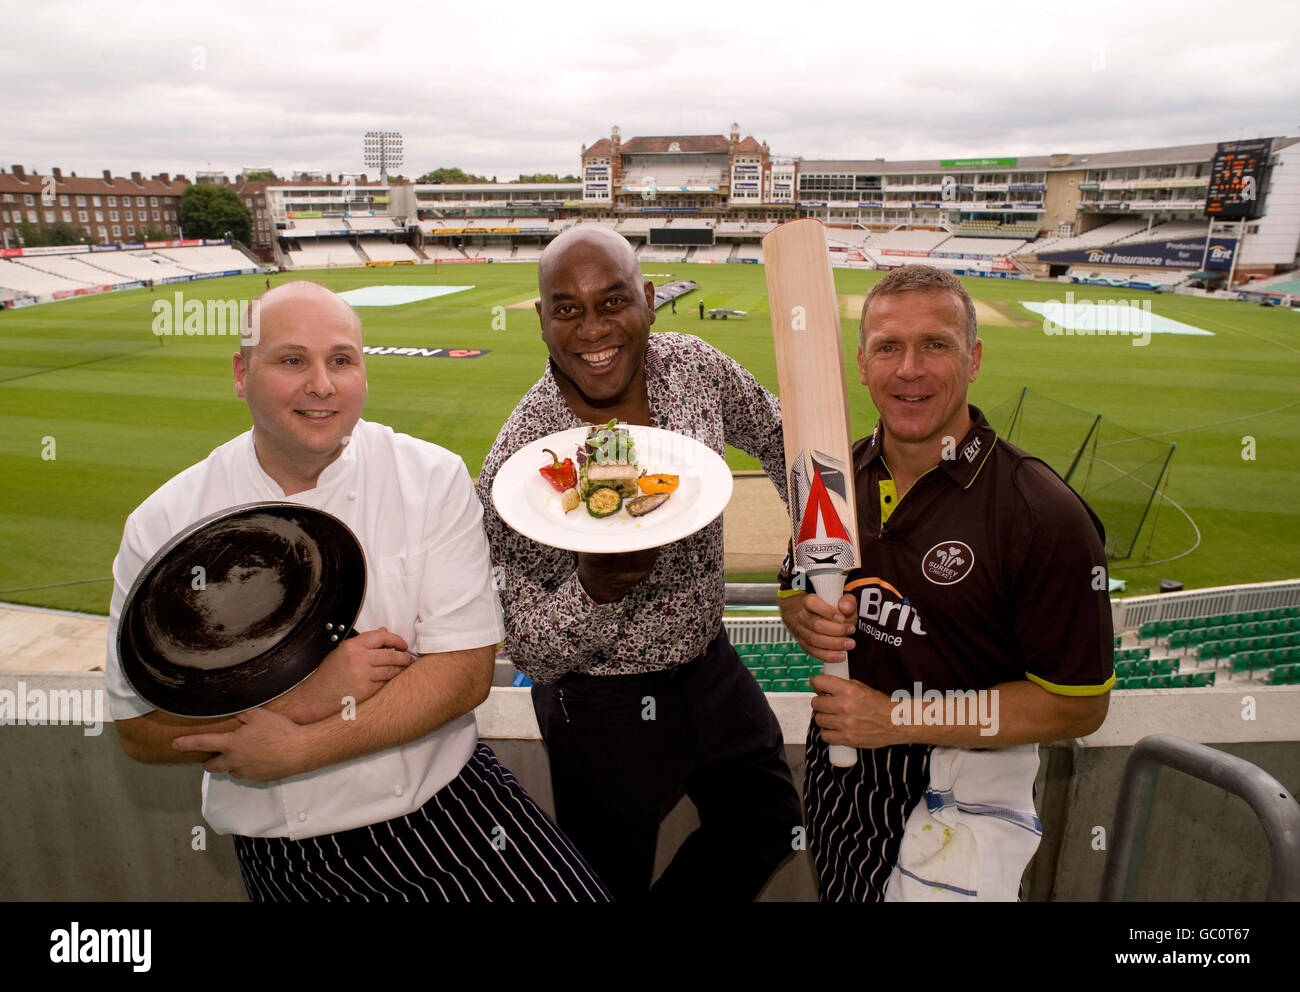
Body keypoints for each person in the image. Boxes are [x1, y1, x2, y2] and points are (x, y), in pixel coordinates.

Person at [105, 281, 608, 903]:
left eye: (341, 360)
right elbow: (141, 730)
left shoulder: (430, 476)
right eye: (292, 361)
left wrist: (303, 735)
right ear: (241, 373)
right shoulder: (163, 524)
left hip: (453, 810)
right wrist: (316, 691)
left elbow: (465, 672)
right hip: (293, 858)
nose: (322, 384)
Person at [476, 226, 802, 901]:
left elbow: (780, 437)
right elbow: (532, 651)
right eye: (567, 308)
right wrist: (593, 589)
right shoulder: (519, 460)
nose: (593, 330)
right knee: (607, 880)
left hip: (710, 665)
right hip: (598, 706)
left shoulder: (695, 368)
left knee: (769, 821)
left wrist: (811, 552)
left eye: (613, 301)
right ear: (542, 321)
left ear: (649, 301)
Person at [778, 265, 1113, 901]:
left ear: (975, 357)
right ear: (861, 363)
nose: (910, 369)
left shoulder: (1043, 515)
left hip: (964, 787)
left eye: (935, 344)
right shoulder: (827, 475)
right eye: (888, 347)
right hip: (840, 772)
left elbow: (1080, 703)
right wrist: (804, 614)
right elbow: (794, 588)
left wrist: (897, 718)